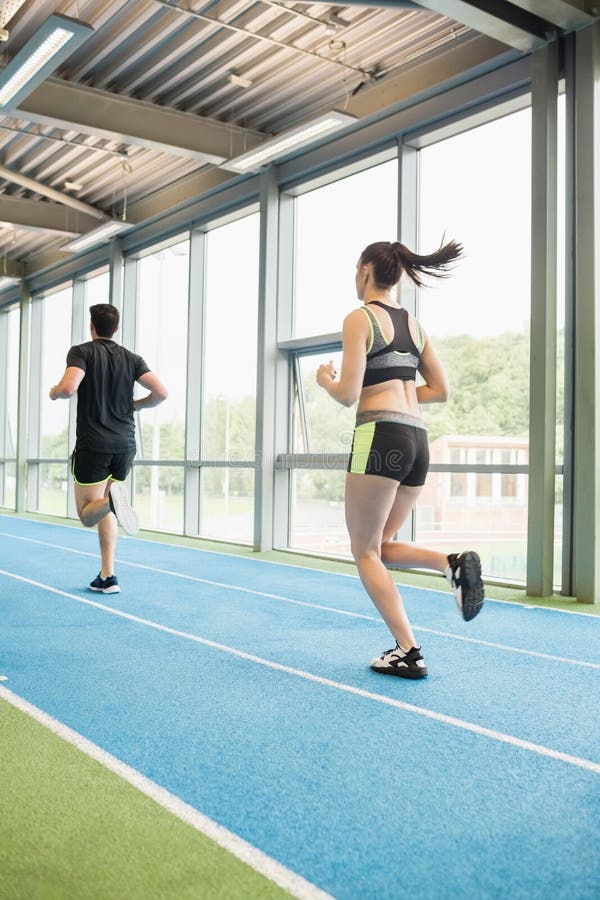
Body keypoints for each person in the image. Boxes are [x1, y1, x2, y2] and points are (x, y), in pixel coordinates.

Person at [316, 240, 484, 679]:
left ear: (365, 270)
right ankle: (450, 564)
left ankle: (408, 650)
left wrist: (325, 381)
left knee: (363, 550)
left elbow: (349, 394)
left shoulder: (359, 318)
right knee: (382, 546)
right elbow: (440, 391)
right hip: (417, 438)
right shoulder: (415, 324)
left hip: (379, 434)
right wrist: (401, 394)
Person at [50, 303, 167, 595]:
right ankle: (108, 575)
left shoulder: (82, 352)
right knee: (107, 509)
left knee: (89, 514)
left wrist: (54, 392)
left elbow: (67, 388)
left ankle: (113, 501)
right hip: (125, 445)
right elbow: (161, 393)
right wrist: (134, 405)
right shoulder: (132, 358)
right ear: (116, 329)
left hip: (93, 445)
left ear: (92, 326)